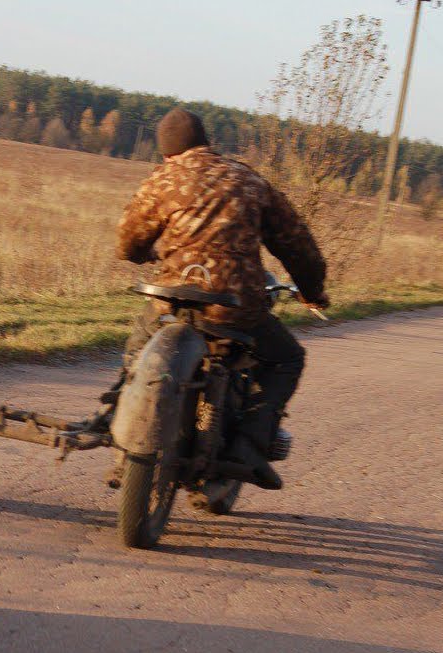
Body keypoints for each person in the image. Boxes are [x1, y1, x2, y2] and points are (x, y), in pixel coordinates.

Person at [116, 107, 329, 499]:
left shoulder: (162, 179)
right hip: (235, 306)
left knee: (137, 350)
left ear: (167, 153)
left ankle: (122, 429)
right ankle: (249, 448)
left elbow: (127, 242)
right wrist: (312, 291)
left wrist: (146, 252)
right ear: (206, 142)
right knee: (287, 359)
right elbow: (296, 244)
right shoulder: (248, 180)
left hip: (171, 301)